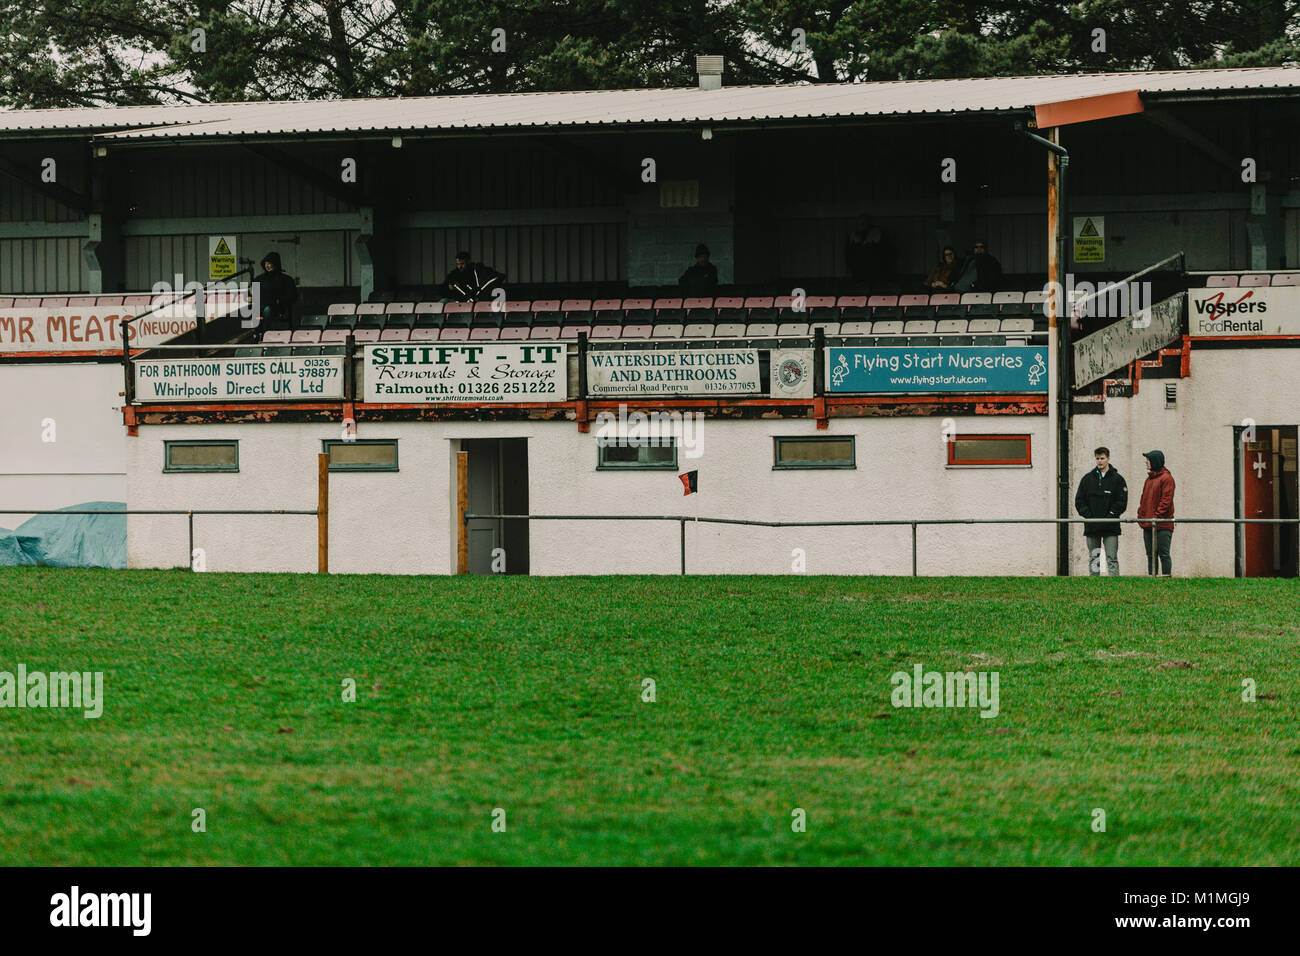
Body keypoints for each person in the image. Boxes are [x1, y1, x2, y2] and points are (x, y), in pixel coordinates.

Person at [1075, 446, 1128, 576]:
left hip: (1111, 527)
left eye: (1102, 458)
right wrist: (1089, 516)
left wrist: (1110, 516)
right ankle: (1094, 586)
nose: (1100, 461)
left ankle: (1114, 586)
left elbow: (1121, 502)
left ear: (1108, 459)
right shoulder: (1087, 479)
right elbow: (1079, 501)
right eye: (1097, 458)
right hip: (1092, 527)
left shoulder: (1118, 479)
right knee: (1094, 558)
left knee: (1112, 558)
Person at [1138, 449, 1176, 576]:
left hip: (1163, 524)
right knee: (1150, 554)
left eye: (1148, 460)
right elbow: (1143, 499)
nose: (1146, 462)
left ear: (1155, 461)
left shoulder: (1167, 478)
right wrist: (1141, 515)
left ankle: (1166, 578)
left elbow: (1166, 501)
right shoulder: (1149, 480)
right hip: (1148, 523)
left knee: (1163, 553)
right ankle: (1152, 578)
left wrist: (1156, 517)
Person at [250, 251, 297, 328]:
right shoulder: (259, 279)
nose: (267, 266)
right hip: (259, 307)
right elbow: (254, 295)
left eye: (269, 263)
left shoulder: (286, 279)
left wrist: (279, 301)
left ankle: (265, 333)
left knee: (267, 310)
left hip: (277, 308)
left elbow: (292, 295)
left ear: (275, 264)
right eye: (265, 263)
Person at [845, 215, 893, 286]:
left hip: (877, 273)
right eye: (860, 224)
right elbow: (849, 255)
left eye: (864, 223)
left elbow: (886, 255)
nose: (862, 226)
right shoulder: (853, 237)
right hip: (858, 272)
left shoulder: (878, 235)